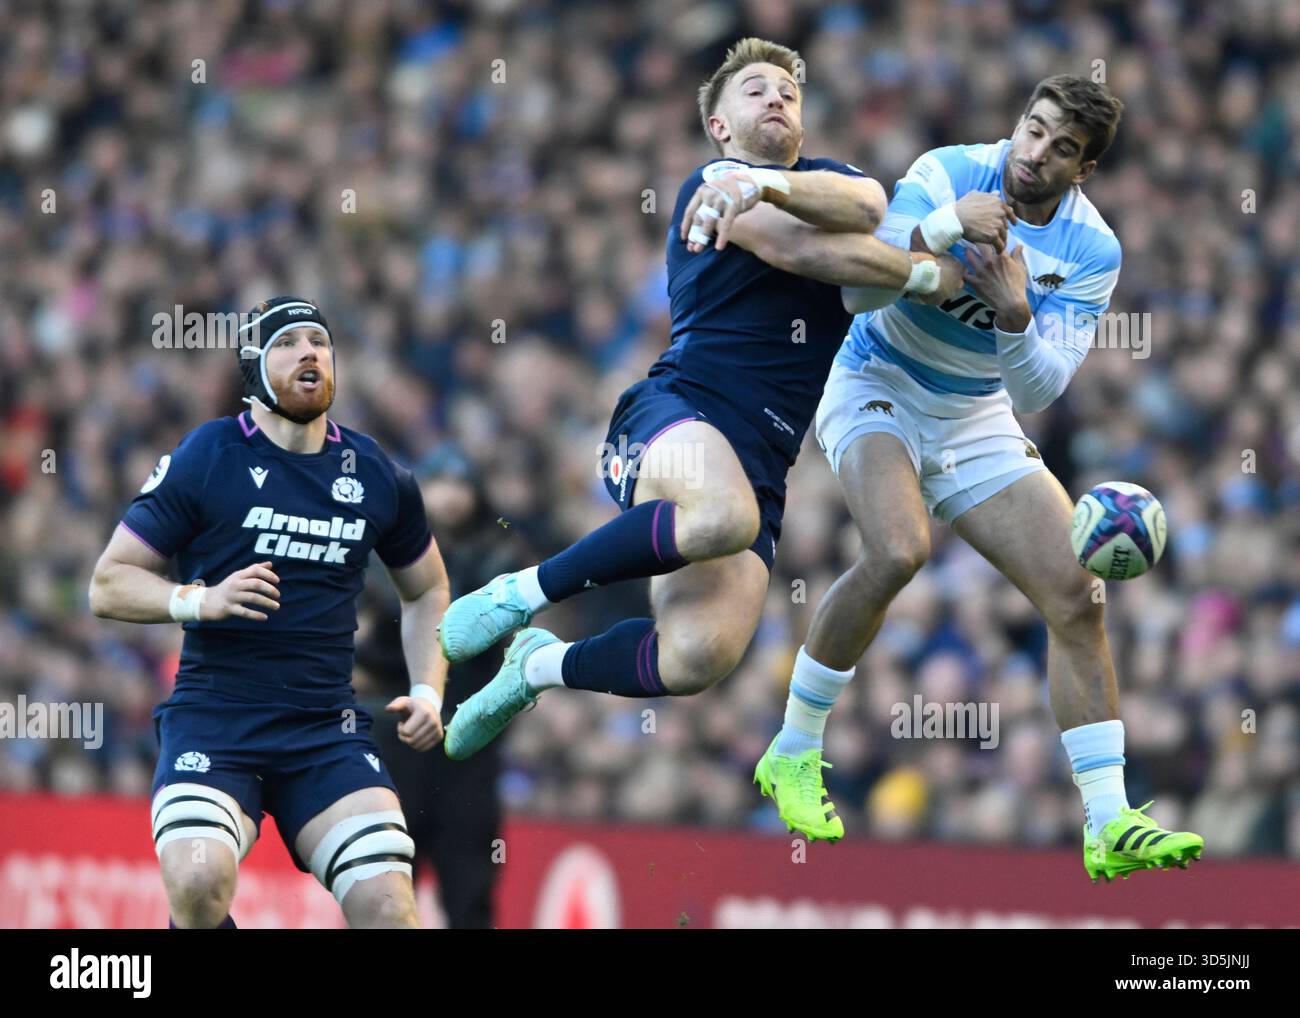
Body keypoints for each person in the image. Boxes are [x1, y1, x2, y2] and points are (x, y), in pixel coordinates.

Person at [435, 37, 963, 763]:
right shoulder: (715, 181)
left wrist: (798, 199)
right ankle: (522, 592)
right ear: (719, 126)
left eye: (787, 90)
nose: (775, 97)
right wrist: (926, 272)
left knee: (698, 658)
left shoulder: (831, 185)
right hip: (671, 412)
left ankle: (535, 666)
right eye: (753, 90)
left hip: (763, 455)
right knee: (721, 515)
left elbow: (868, 203)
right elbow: (809, 254)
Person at [759, 76, 1204, 882]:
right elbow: (857, 294)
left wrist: (1015, 313)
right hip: (877, 382)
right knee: (898, 550)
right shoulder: (947, 171)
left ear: (1086, 170)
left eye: (1062, 148)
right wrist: (939, 228)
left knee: (1077, 595)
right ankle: (793, 749)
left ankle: (1108, 820)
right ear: (1018, 124)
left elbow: (1036, 391)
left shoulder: (1091, 249)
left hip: (975, 418)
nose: (1035, 154)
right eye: (1033, 131)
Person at [88, 297, 450, 927]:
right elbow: (108, 583)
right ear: (253, 368)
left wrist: (428, 689)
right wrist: (200, 600)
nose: (310, 351)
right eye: (288, 342)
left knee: (391, 909)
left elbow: (427, 590)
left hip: (324, 730)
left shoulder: (375, 473)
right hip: (215, 720)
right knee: (199, 883)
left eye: (319, 339)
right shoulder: (211, 454)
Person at [357, 444, 525, 928]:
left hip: (467, 738)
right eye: (438, 483)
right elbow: (378, 632)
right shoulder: (382, 553)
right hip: (396, 731)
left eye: (461, 484)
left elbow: (470, 631)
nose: (450, 496)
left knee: (469, 882)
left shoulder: (499, 553)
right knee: (386, 877)